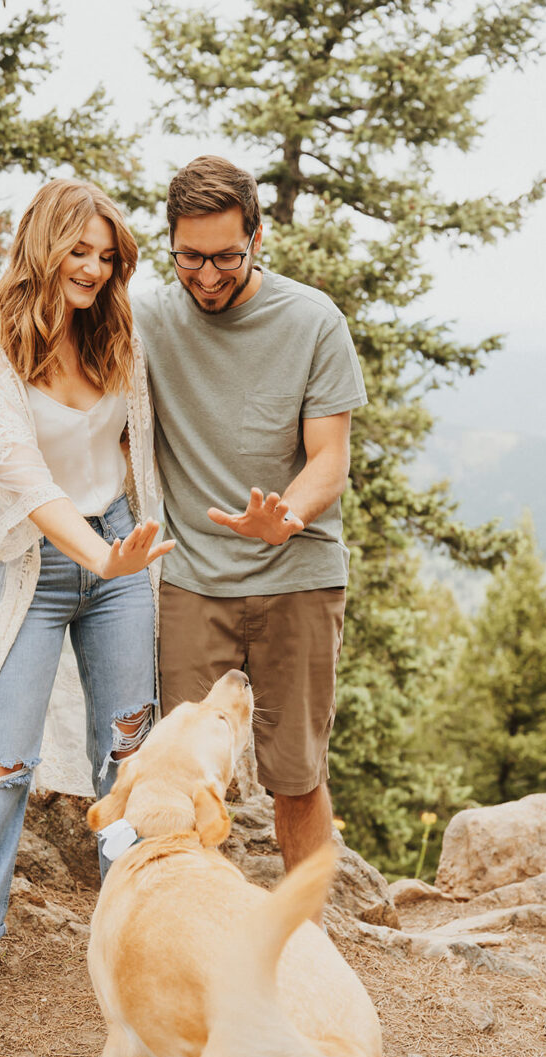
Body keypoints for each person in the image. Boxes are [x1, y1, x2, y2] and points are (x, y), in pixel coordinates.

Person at [0, 179, 172, 1057]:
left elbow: (143, 446)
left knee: (129, 761)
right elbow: (26, 482)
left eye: (106, 256)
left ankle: (142, 958)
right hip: (34, 564)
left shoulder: (120, 338)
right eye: (79, 251)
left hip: (122, 558)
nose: (94, 269)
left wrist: (126, 548)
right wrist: (98, 557)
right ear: (43, 248)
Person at [132, 155, 366, 886]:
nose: (206, 275)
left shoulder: (312, 321)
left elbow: (330, 458)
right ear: (171, 243)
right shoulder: (145, 320)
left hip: (298, 574)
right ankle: (193, 934)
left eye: (226, 257)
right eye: (190, 257)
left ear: (258, 239)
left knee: (295, 774)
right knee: (182, 774)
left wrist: (286, 516)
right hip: (194, 581)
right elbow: (57, 388)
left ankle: (306, 943)